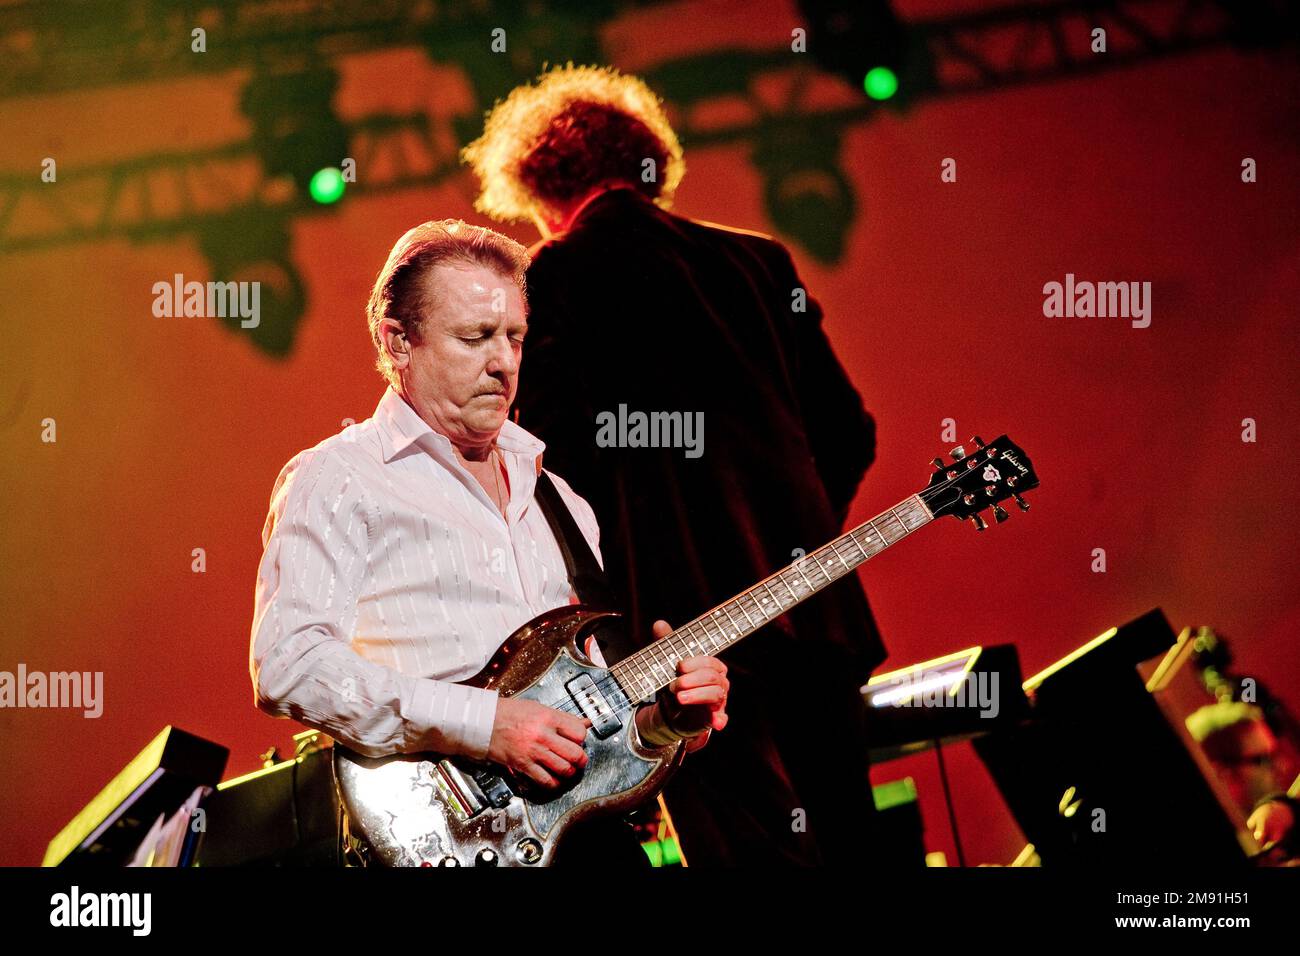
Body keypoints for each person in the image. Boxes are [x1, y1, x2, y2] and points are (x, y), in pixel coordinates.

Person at [463, 64, 885, 865]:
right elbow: (850, 431)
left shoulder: (553, 274)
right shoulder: (760, 262)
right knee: (855, 846)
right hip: (815, 619)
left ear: (538, 183)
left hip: (681, 641)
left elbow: (549, 471)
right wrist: (785, 555)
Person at [249, 219, 729, 866]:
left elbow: (591, 726)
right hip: (444, 837)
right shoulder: (339, 478)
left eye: (514, 337)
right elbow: (291, 665)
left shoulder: (560, 499)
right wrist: (486, 726)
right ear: (399, 343)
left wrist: (669, 722)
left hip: (588, 845)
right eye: (474, 337)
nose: (502, 362)